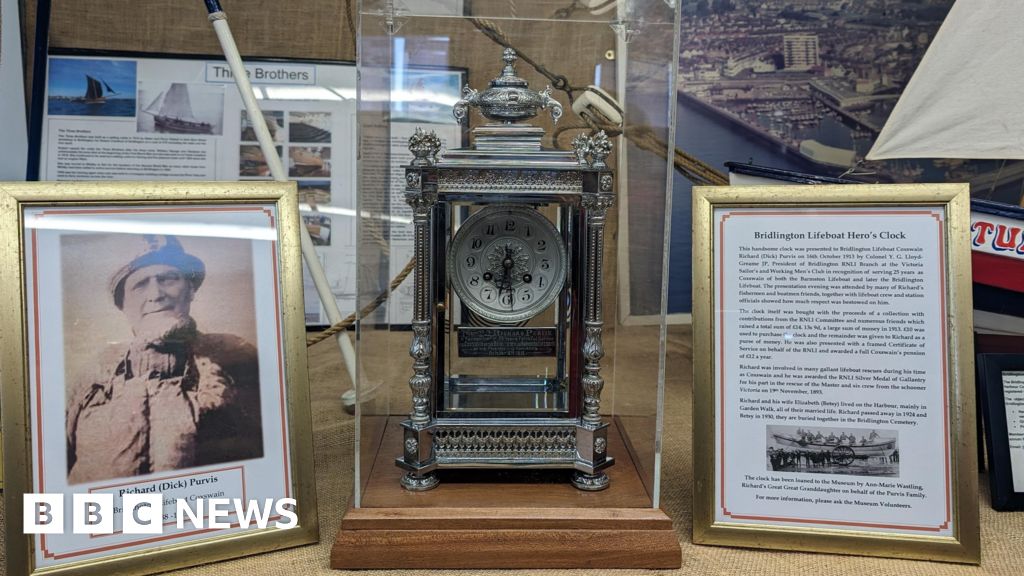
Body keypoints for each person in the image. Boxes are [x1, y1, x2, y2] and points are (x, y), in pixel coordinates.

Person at [66, 235, 263, 484]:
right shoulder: (95, 373)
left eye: (168, 278)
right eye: (140, 285)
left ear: (190, 289)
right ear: (123, 304)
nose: (156, 294)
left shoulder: (234, 354)